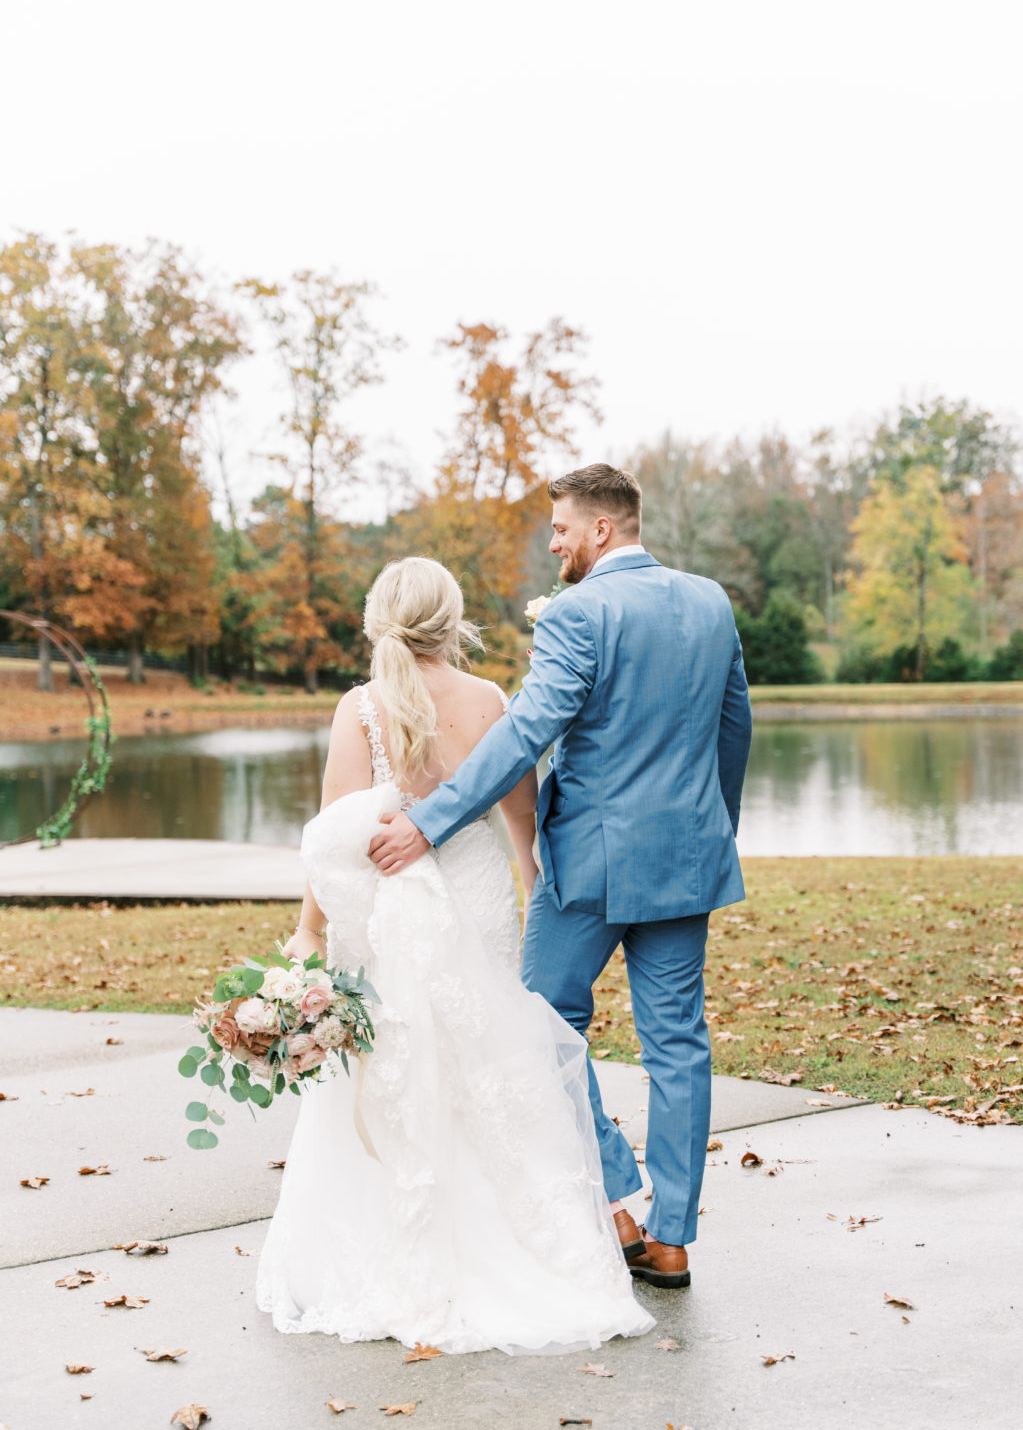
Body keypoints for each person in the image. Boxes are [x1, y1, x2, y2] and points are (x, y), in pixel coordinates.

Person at [256, 555, 652, 1354]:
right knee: (488, 1064)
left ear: (378, 620)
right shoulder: (489, 700)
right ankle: (527, 1242)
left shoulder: (360, 709)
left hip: (389, 914)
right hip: (472, 901)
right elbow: (519, 815)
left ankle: (403, 1250)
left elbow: (337, 840)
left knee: (398, 1071)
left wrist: (308, 928)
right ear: (453, 619)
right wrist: (536, 878)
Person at [369, 464, 753, 1289]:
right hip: (687, 859)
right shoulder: (710, 602)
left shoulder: (580, 612)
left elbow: (521, 739)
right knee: (678, 1045)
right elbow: (733, 729)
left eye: (560, 529)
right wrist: (707, 826)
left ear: (601, 530)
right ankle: (673, 1236)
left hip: (590, 867)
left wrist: (428, 821)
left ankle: (614, 1198)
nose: (554, 544)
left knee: (536, 1021)